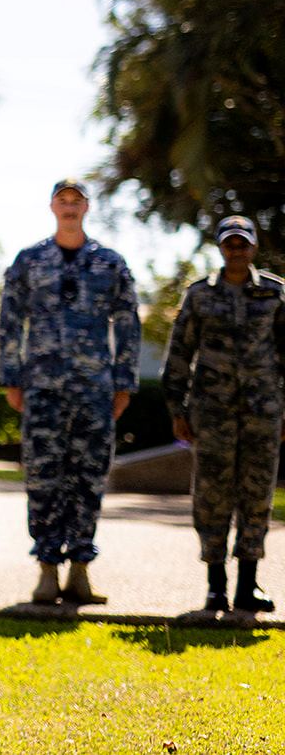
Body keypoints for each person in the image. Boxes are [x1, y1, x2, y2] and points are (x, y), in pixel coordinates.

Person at [0, 178, 139, 605]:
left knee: (89, 478)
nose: (70, 207)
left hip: (94, 390)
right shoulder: (30, 261)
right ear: (52, 207)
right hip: (42, 388)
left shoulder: (110, 263)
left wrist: (124, 383)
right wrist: (11, 378)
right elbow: (9, 320)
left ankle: (80, 570)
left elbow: (128, 324)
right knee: (43, 477)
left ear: (87, 208)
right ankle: (46, 568)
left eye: (77, 201)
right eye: (63, 200)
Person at [162, 215, 285, 613]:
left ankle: (248, 585)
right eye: (230, 243)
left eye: (242, 243)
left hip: (262, 414)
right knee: (211, 497)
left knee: (256, 495)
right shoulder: (200, 295)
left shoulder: (275, 293)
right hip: (211, 414)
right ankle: (216, 586)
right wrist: (177, 409)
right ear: (220, 247)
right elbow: (179, 353)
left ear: (253, 247)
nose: (236, 250)